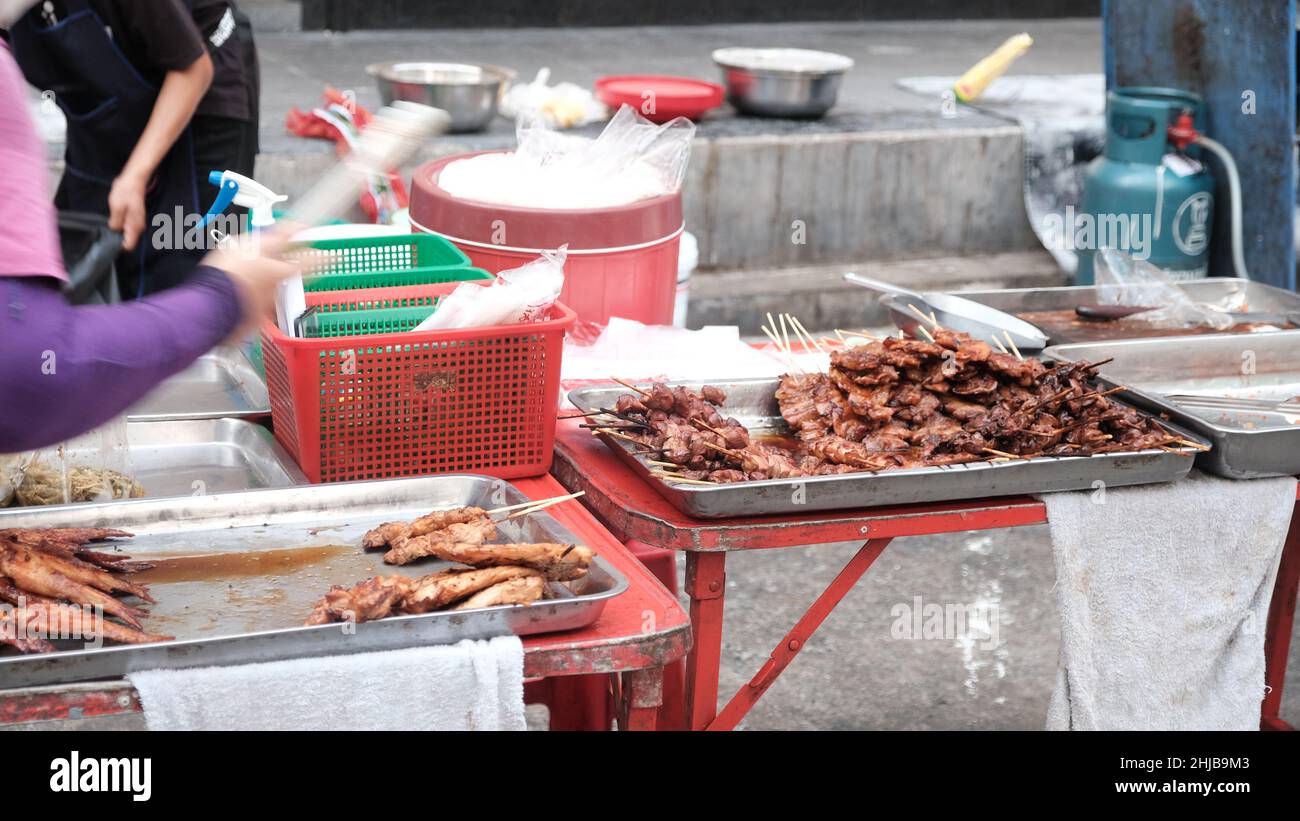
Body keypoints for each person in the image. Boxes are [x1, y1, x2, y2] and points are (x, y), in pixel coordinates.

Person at [0, 35, 294, 454]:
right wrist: (222, 299)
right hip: (105, 138)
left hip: (191, 136)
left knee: (170, 251)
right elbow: (29, 373)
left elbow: (193, 66)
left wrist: (136, 174)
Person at [6, 0, 260, 297]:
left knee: (185, 263)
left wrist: (134, 176)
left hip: (201, 88)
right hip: (107, 102)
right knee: (80, 254)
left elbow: (192, 68)